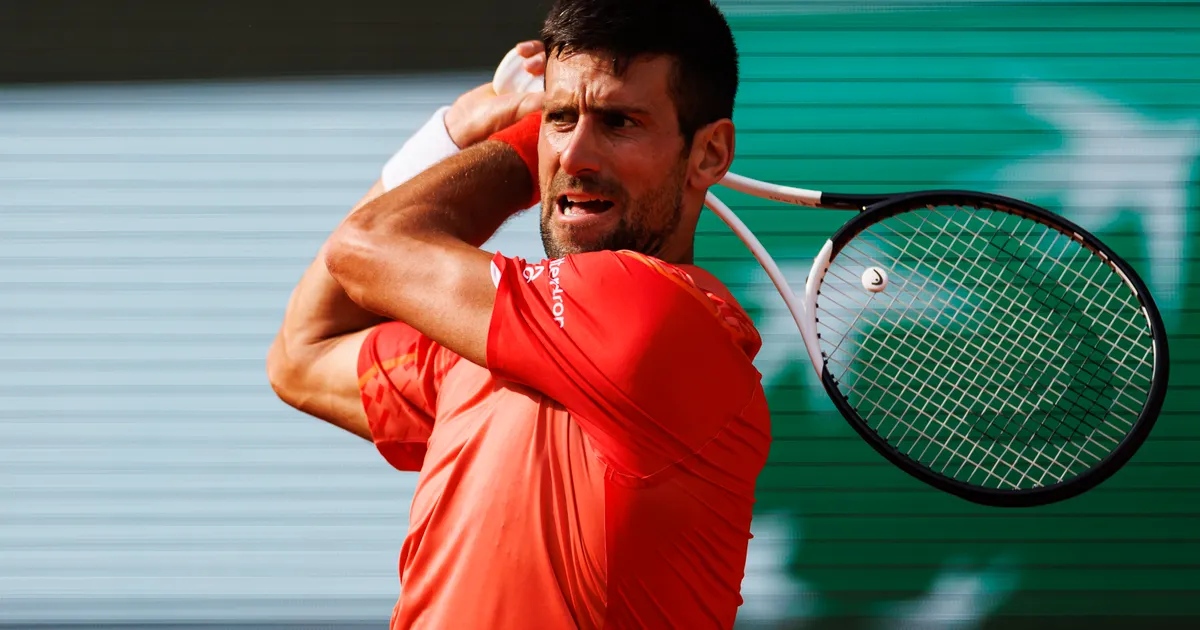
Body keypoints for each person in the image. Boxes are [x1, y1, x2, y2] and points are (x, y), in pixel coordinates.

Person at [266, 0, 771, 628]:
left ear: (710, 151)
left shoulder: (659, 312)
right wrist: (455, 132)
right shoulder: (494, 342)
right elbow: (300, 356)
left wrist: (514, 137)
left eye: (619, 121)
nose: (576, 154)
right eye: (561, 117)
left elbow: (365, 246)